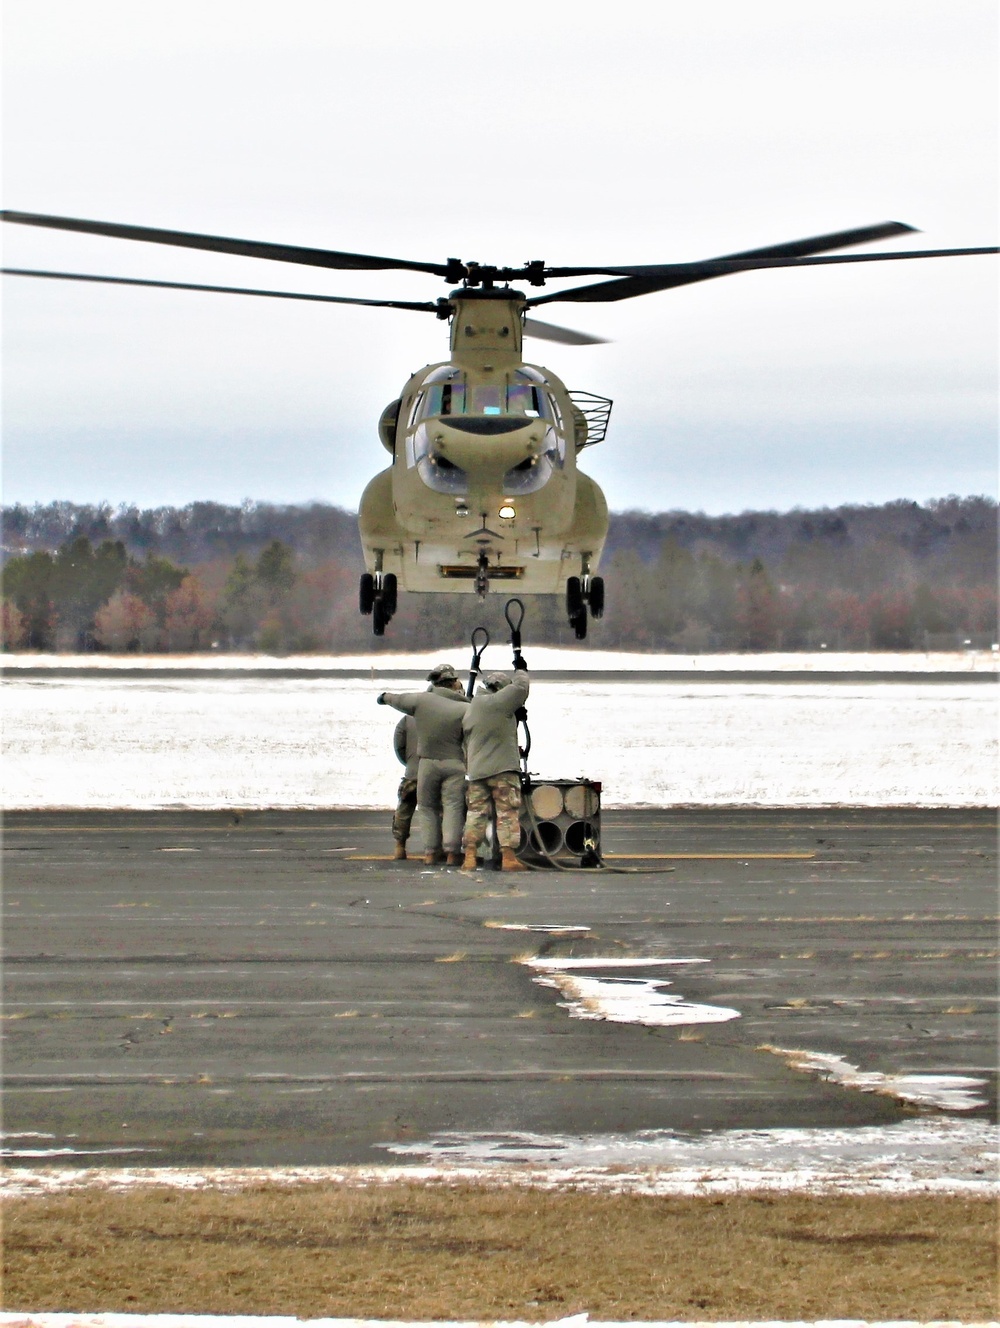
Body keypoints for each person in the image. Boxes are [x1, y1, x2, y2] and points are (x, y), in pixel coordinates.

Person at [377, 663, 469, 866]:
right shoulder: (466, 708)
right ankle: (453, 853)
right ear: (454, 683)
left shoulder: (420, 703)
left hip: (425, 764)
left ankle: (429, 853)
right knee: (453, 807)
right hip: (455, 763)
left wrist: (383, 697)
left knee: (426, 808)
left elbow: (397, 700)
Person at [460, 649, 529, 872]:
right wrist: (520, 669)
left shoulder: (472, 708)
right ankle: (508, 857)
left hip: (477, 771)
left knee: (476, 813)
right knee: (507, 812)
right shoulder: (498, 702)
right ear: (500, 688)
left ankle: (469, 856)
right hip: (502, 770)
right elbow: (520, 688)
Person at [390, 714, 418, 861]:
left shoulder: (408, 719)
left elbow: (399, 745)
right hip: (437, 772)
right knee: (439, 811)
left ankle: (400, 845)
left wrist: (409, 762)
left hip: (412, 773)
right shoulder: (451, 712)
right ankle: (438, 848)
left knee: (405, 808)